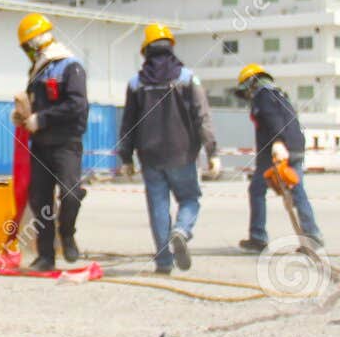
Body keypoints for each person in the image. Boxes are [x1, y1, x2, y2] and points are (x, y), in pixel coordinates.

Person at [116, 23, 218, 274]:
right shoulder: (187, 78)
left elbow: (128, 123)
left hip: (149, 156)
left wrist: (126, 157)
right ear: (171, 47)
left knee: (158, 207)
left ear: (145, 51)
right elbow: (201, 116)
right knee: (190, 199)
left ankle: (163, 262)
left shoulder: (136, 83)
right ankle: (181, 231)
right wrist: (212, 151)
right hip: (182, 153)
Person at [13, 13, 89, 270]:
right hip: (41, 145)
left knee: (70, 193)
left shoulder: (70, 66)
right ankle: (46, 256)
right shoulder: (36, 71)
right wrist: (23, 115)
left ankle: (67, 233)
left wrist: (42, 119)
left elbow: (77, 105)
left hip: (66, 142)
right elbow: (34, 105)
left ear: (35, 42)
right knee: (40, 199)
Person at [234, 63, 323, 252]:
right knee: (298, 191)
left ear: (252, 83)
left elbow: (272, 119)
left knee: (257, 190)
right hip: (296, 146)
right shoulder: (280, 95)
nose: (247, 95)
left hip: (276, 149)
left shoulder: (263, 97)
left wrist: (278, 143)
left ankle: (258, 236)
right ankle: (312, 235)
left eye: (246, 89)